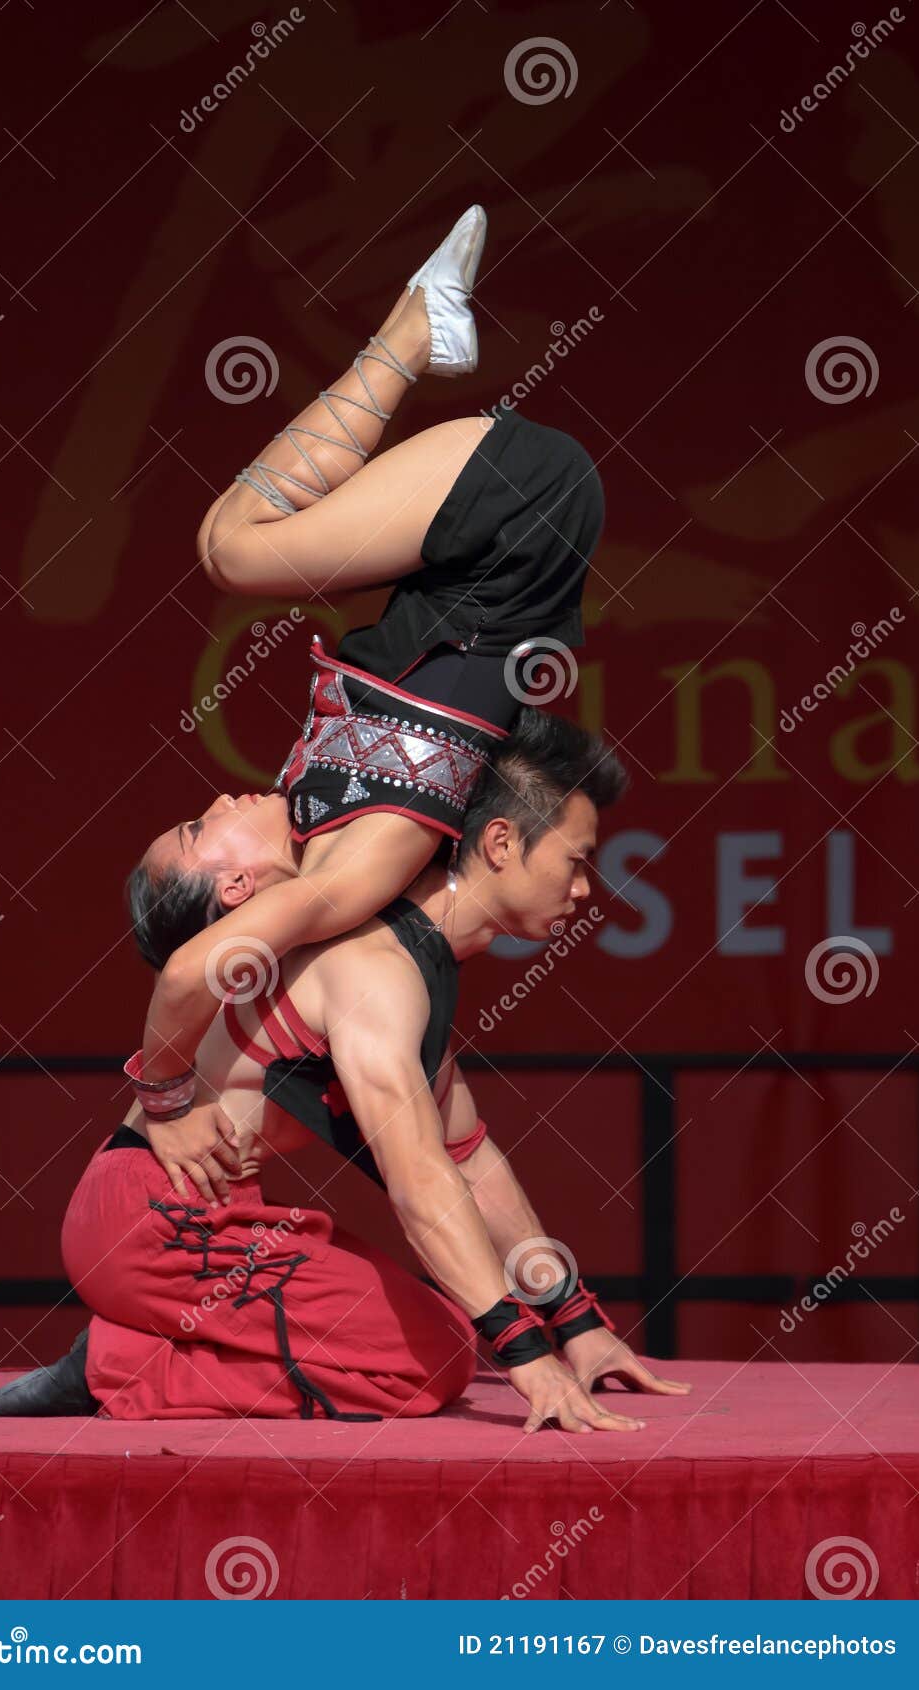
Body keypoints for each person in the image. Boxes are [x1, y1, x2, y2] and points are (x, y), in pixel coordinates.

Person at [0, 711, 690, 1432]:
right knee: (439, 1357)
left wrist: (575, 1327)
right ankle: (115, 1366)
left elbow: (469, 1164)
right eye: (575, 861)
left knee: (447, 1332)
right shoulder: (371, 966)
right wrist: (526, 1357)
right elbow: (419, 1185)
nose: (584, 890)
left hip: (191, 1212)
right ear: (502, 843)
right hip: (148, 1223)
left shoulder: (398, 957)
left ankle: (141, 1348)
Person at [128, 205, 606, 1186]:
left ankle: (418, 328)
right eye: (195, 827)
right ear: (231, 895)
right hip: (511, 536)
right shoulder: (332, 885)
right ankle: (413, 328)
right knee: (230, 547)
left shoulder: (319, 838)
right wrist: (165, 1097)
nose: (215, 799)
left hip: (466, 574)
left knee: (231, 536)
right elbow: (188, 975)